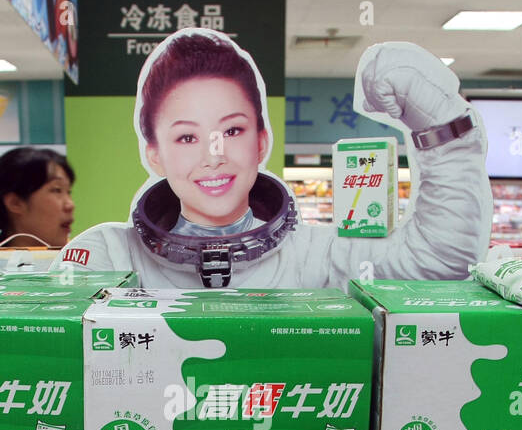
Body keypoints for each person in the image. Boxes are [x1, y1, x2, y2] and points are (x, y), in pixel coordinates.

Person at [54, 29, 492, 288]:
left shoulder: (315, 256)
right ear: (155, 154)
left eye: (232, 130)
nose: (214, 156)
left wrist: (445, 131)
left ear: (261, 142)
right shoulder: (111, 255)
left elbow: (438, 262)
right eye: (187, 137)